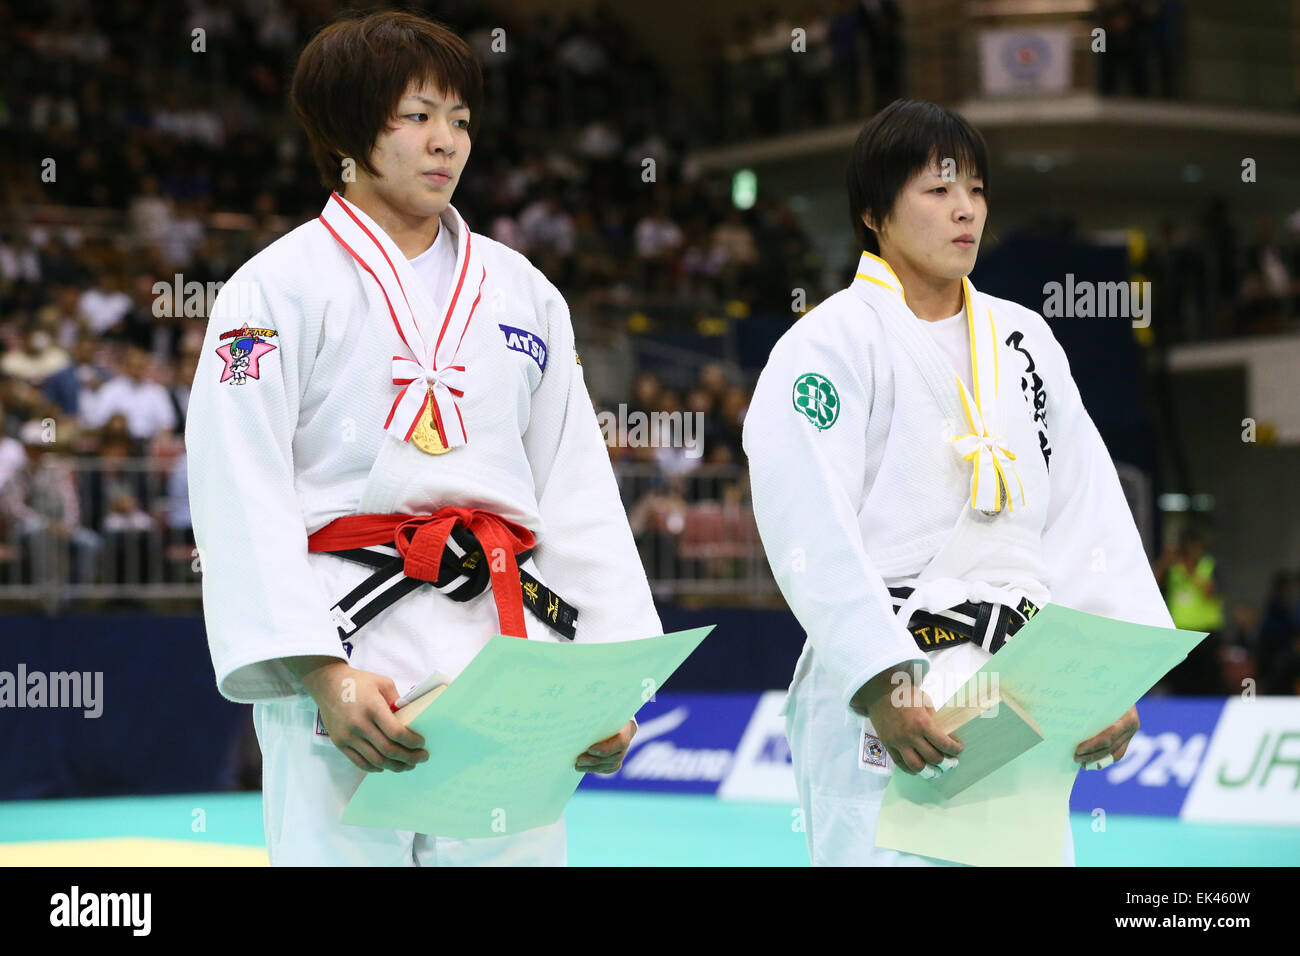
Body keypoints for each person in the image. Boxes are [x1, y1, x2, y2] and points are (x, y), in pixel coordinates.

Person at [186, 11, 660, 866]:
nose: (446, 142)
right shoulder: (275, 289)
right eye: (416, 116)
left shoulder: (524, 293)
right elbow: (238, 487)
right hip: (351, 642)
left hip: (506, 657)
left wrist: (604, 679)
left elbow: (575, 486)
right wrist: (318, 673)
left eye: (462, 120)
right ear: (349, 130)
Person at [743, 99, 1173, 866]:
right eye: (937, 191)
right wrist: (881, 678)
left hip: (1020, 686)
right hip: (896, 677)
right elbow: (807, 521)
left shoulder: (1024, 338)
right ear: (873, 212)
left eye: (975, 189)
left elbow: (1085, 504)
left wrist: (1108, 670)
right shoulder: (830, 341)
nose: (965, 210)